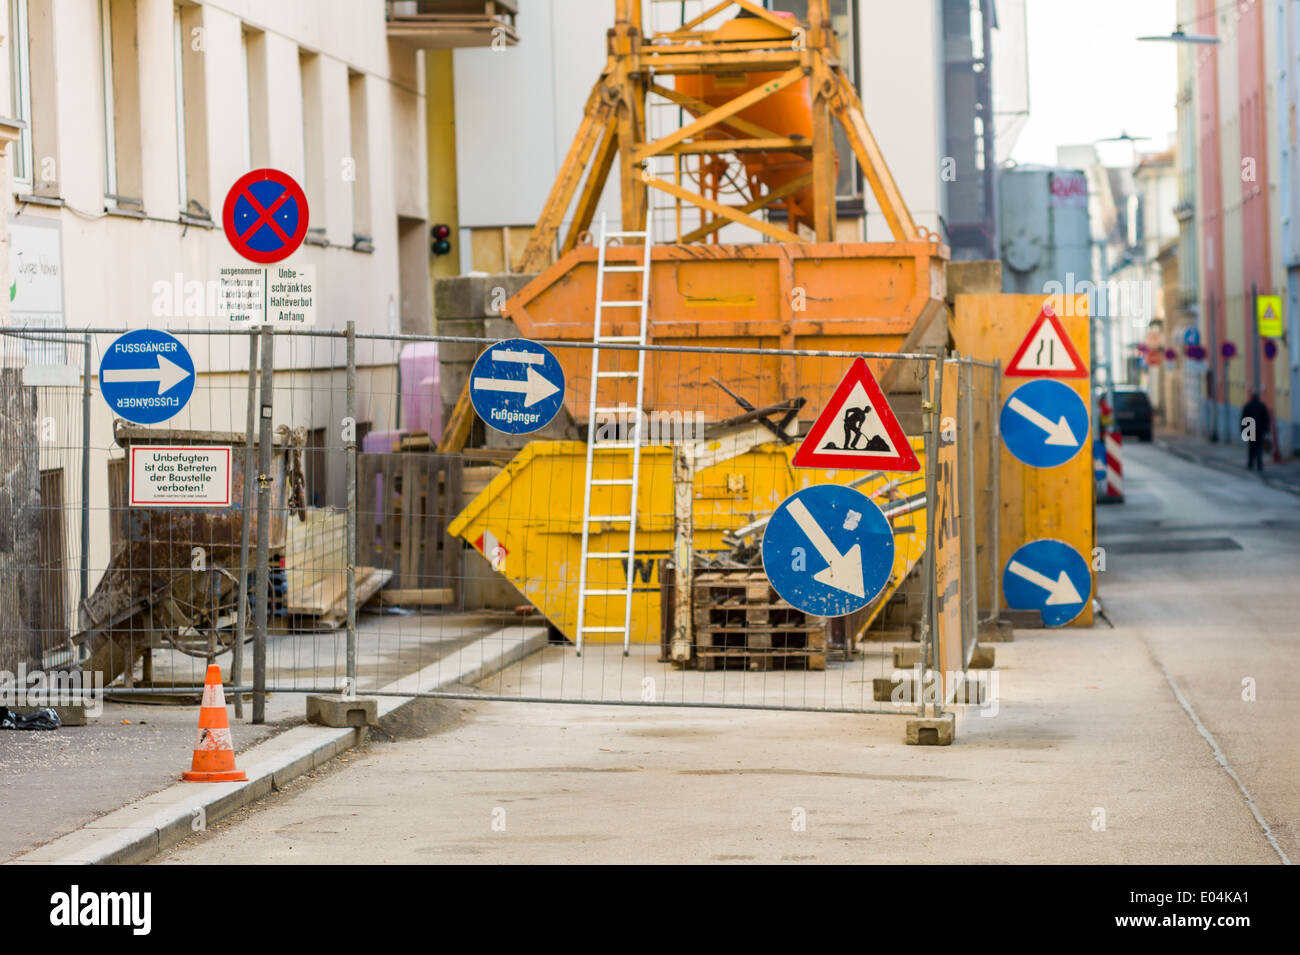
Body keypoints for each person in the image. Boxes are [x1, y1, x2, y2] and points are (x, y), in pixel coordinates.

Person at [1241, 392, 1271, 472]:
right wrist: (1266, 429)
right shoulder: (1262, 406)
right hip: (1259, 430)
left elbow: (1244, 418)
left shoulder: (1248, 406)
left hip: (1250, 429)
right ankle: (1259, 464)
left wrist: (1243, 431)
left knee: (1251, 448)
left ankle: (1250, 464)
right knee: (1259, 448)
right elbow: (1266, 418)